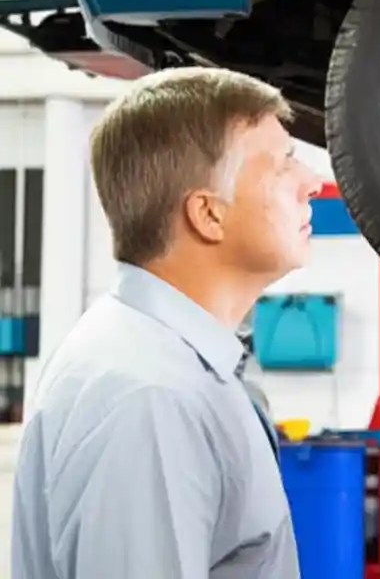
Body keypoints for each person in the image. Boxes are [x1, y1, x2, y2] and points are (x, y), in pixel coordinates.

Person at [11, 67, 323, 578]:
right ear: (208, 214)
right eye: (283, 163)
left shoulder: (177, 364)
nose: (311, 182)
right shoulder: (150, 396)